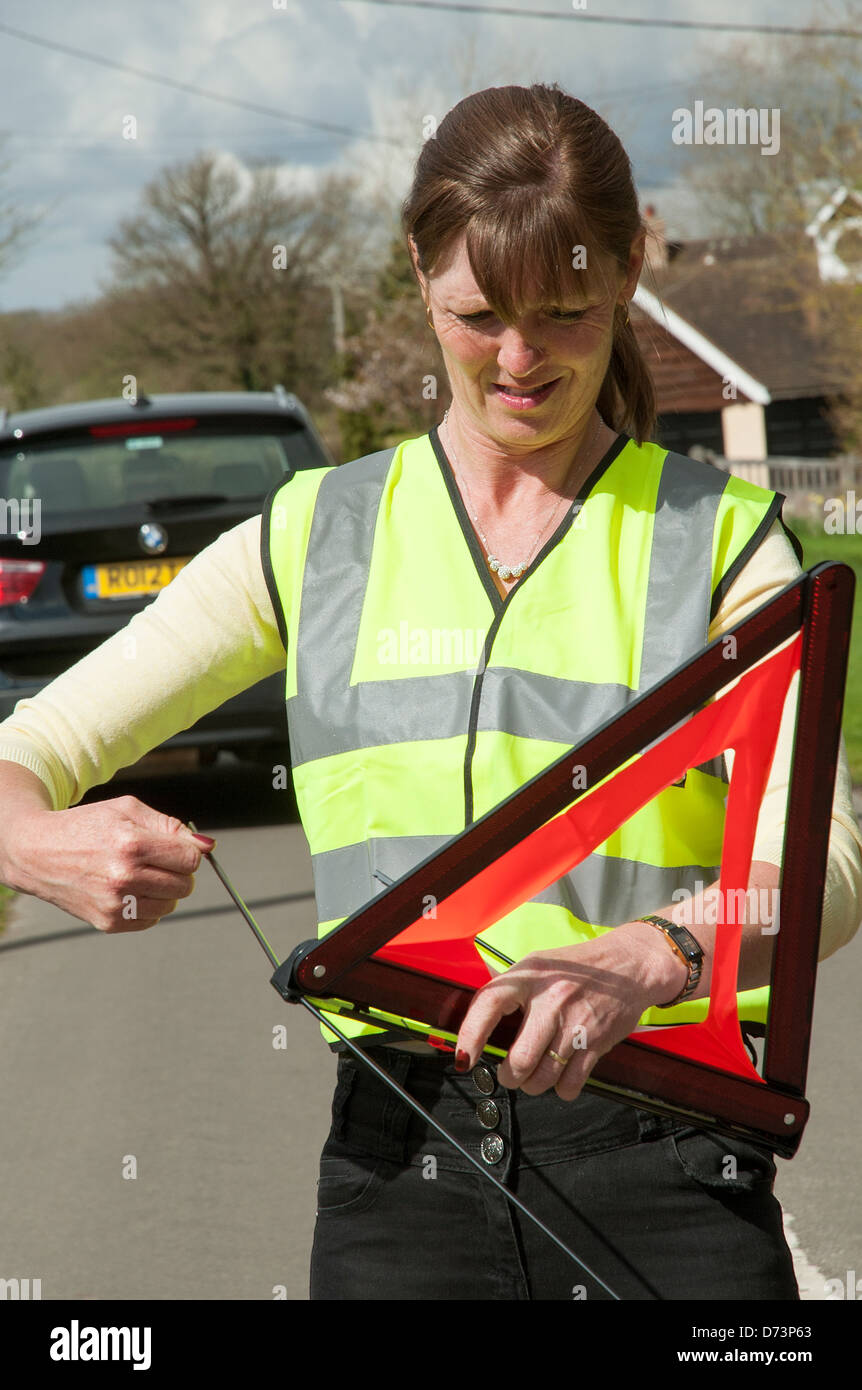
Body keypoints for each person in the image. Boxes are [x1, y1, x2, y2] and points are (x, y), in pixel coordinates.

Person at [0, 82, 860, 1301]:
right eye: (479, 314)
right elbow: (23, 757)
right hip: (395, 1176)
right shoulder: (314, 536)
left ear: (628, 269)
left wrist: (657, 952)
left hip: (663, 1171)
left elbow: (820, 861)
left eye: (563, 313)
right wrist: (36, 841)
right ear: (417, 272)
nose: (519, 360)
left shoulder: (718, 543)